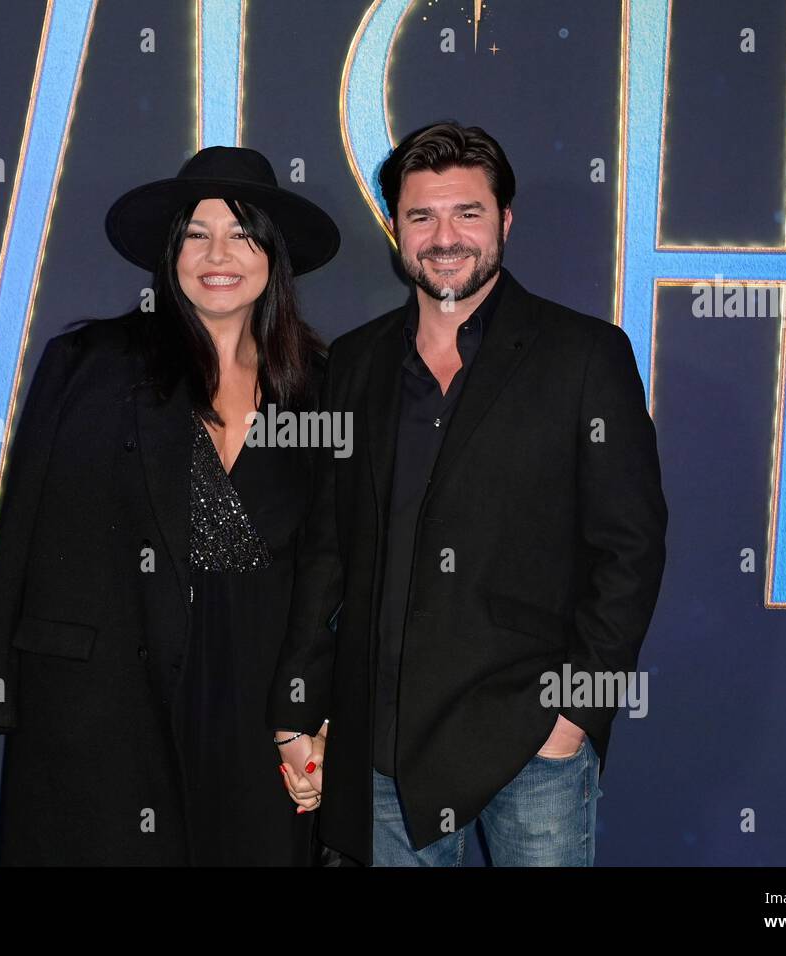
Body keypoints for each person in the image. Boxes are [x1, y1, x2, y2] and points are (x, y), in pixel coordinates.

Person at [268, 121, 668, 866]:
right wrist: (298, 703)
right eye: (422, 216)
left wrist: (575, 714)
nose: (444, 236)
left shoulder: (584, 356)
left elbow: (632, 550)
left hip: (530, 744)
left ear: (504, 222)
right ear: (397, 229)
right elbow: (326, 549)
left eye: (467, 213)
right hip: (382, 745)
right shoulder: (354, 364)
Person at [0, 145, 340, 865]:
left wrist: (315, 707)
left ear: (273, 255)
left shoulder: (319, 387)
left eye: (243, 234)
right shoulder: (96, 365)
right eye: (195, 234)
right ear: (170, 253)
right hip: (109, 703)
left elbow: (329, 560)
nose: (218, 253)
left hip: (256, 709)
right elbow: (25, 526)